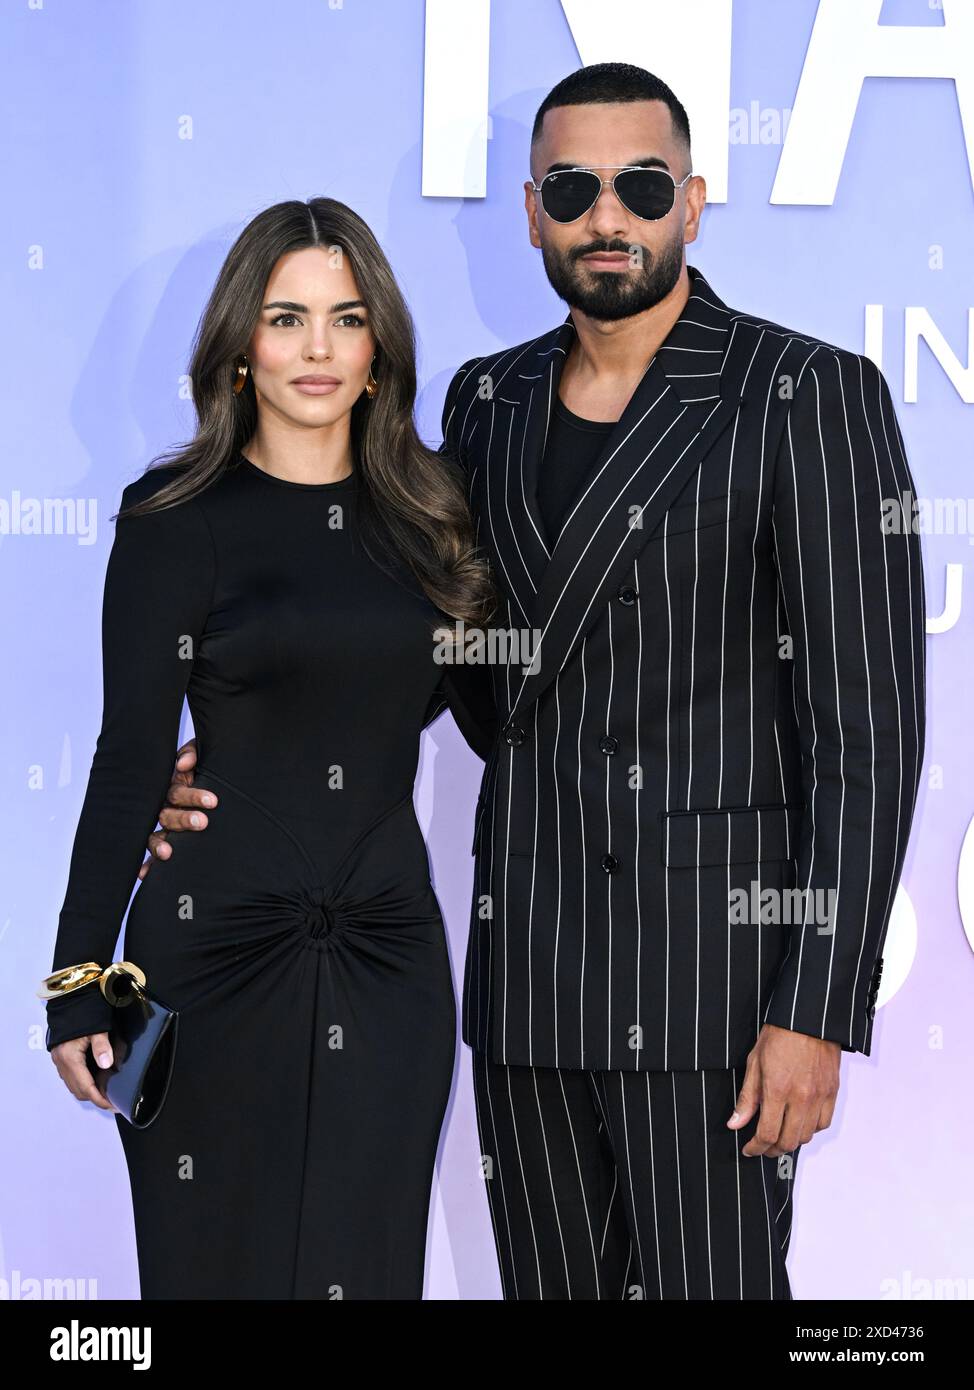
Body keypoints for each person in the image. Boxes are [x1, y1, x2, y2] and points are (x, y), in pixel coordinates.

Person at [145, 65, 927, 1300]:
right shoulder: (489, 401)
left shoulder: (806, 394)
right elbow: (445, 656)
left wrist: (816, 1007)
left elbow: (867, 733)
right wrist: (241, 759)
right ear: (529, 211)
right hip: (529, 981)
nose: (605, 215)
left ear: (692, 202)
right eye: (572, 188)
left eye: (639, 185)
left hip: (710, 996)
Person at [41, 196, 497, 1300]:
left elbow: (476, 709)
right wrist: (75, 977)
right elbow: (129, 754)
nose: (316, 348)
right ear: (241, 344)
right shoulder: (172, 516)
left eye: (344, 319)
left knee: (366, 1264)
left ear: (379, 347)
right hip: (206, 955)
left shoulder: (434, 516)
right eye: (286, 318)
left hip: (388, 954)